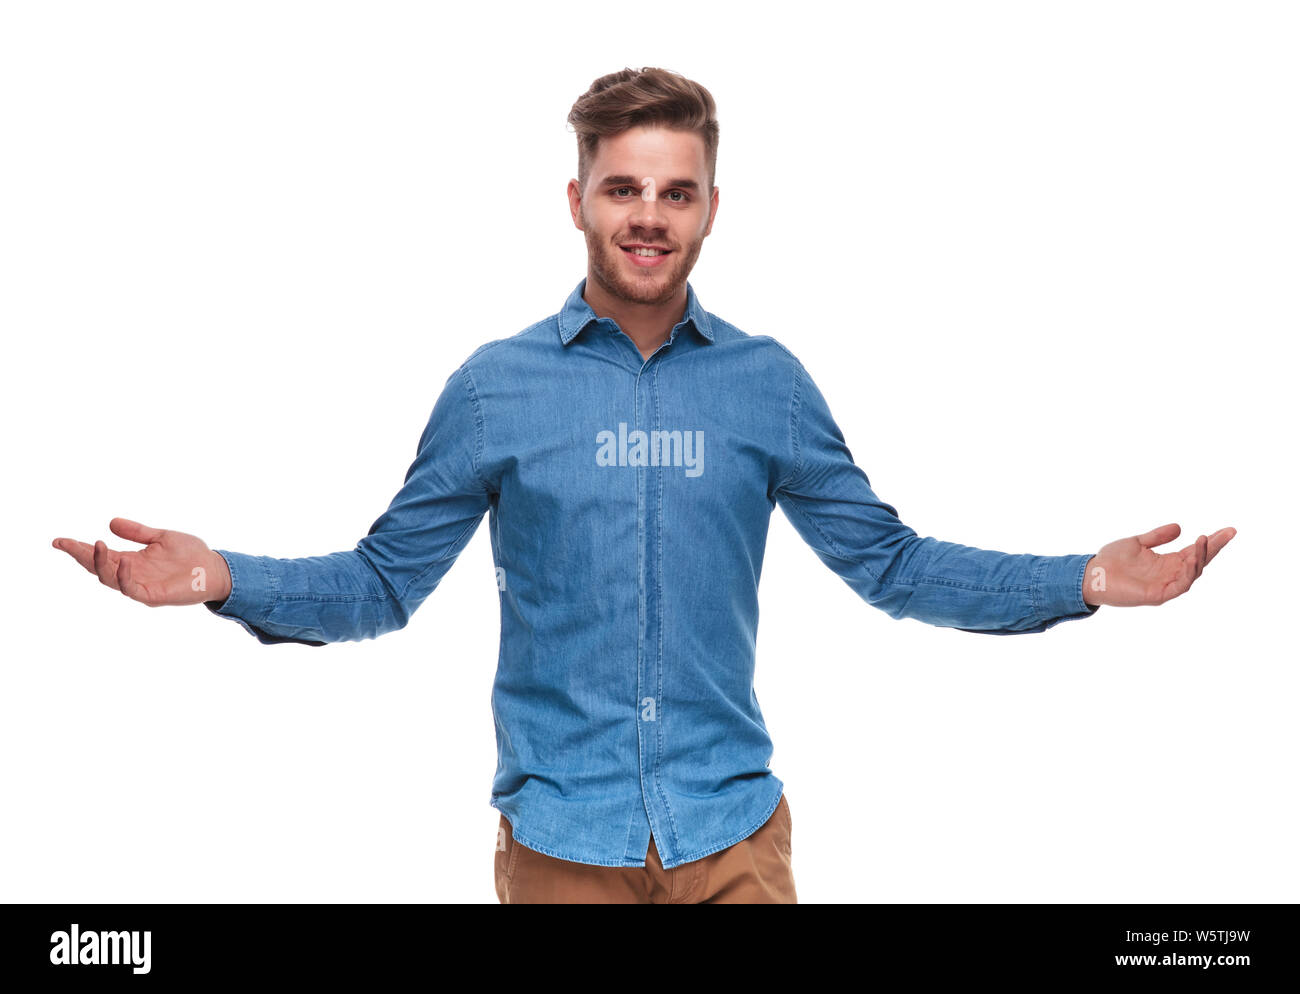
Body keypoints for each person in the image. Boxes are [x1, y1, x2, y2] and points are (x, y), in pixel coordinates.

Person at [53, 66, 1236, 904]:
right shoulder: (493, 389)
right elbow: (380, 585)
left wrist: (1082, 577)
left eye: (676, 192)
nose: (649, 217)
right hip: (563, 845)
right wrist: (219, 577)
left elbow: (891, 564)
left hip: (735, 839)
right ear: (577, 201)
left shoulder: (768, 386)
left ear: (712, 207)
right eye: (624, 188)